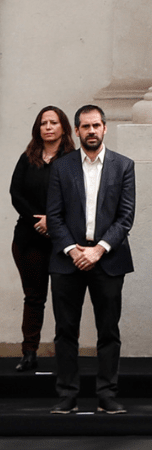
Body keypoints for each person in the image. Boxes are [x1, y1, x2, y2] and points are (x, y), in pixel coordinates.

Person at [45, 105, 135, 414]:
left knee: (108, 331)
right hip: (67, 260)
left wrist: (98, 250)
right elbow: (54, 217)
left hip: (108, 260)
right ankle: (67, 394)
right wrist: (73, 250)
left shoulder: (123, 166)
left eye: (96, 125)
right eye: (85, 126)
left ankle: (106, 394)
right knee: (65, 331)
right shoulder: (61, 167)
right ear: (78, 131)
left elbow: (125, 218)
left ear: (105, 128)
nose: (92, 131)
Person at [9, 106, 75, 373]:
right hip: (29, 238)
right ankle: (29, 352)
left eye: (53, 122)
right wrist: (38, 221)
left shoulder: (73, 159)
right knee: (34, 297)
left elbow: (77, 196)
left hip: (62, 241)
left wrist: (52, 220)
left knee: (63, 299)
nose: (48, 127)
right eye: (43, 123)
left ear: (63, 128)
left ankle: (64, 355)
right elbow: (16, 193)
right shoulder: (28, 158)